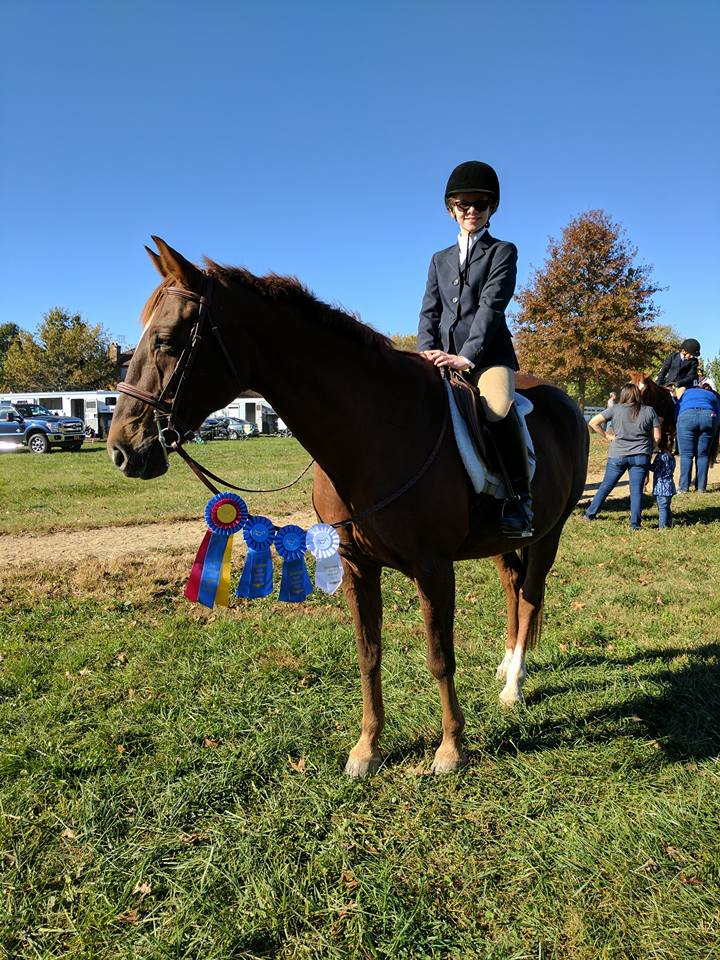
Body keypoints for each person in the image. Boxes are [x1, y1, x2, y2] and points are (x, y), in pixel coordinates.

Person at [417, 160, 532, 538]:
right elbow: (430, 311)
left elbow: (491, 307)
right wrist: (426, 351)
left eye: (480, 204)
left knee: (497, 408)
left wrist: (466, 356)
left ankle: (519, 498)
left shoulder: (503, 251)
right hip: (441, 357)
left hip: (486, 357)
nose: (471, 211)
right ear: (451, 209)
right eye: (464, 204)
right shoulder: (439, 259)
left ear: (491, 209)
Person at [584, 383, 661, 530]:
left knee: (606, 486)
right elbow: (657, 437)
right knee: (636, 490)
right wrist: (650, 448)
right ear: (638, 395)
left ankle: (589, 514)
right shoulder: (650, 411)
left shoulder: (615, 409)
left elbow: (593, 422)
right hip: (641, 455)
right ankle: (635, 524)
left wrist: (607, 436)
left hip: (617, 455)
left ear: (623, 395)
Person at [675, 377, 720, 492]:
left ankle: (684, 488)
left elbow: (677, 409)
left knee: (686, 455)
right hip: (708, 418)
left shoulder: (686, 393)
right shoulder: (711, 395)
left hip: (687, 417)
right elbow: (718, 413)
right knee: (703, 455)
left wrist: (678, 423)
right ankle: (701, 488)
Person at [649, 437, 676, 529]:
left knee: (662, 508)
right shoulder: (672, 457)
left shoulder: (660, 457)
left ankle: (662, 527)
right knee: (667, 506)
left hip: (661, 486)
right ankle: (669, 523)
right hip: (670, 485)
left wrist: (647, 463)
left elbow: (654, 468)